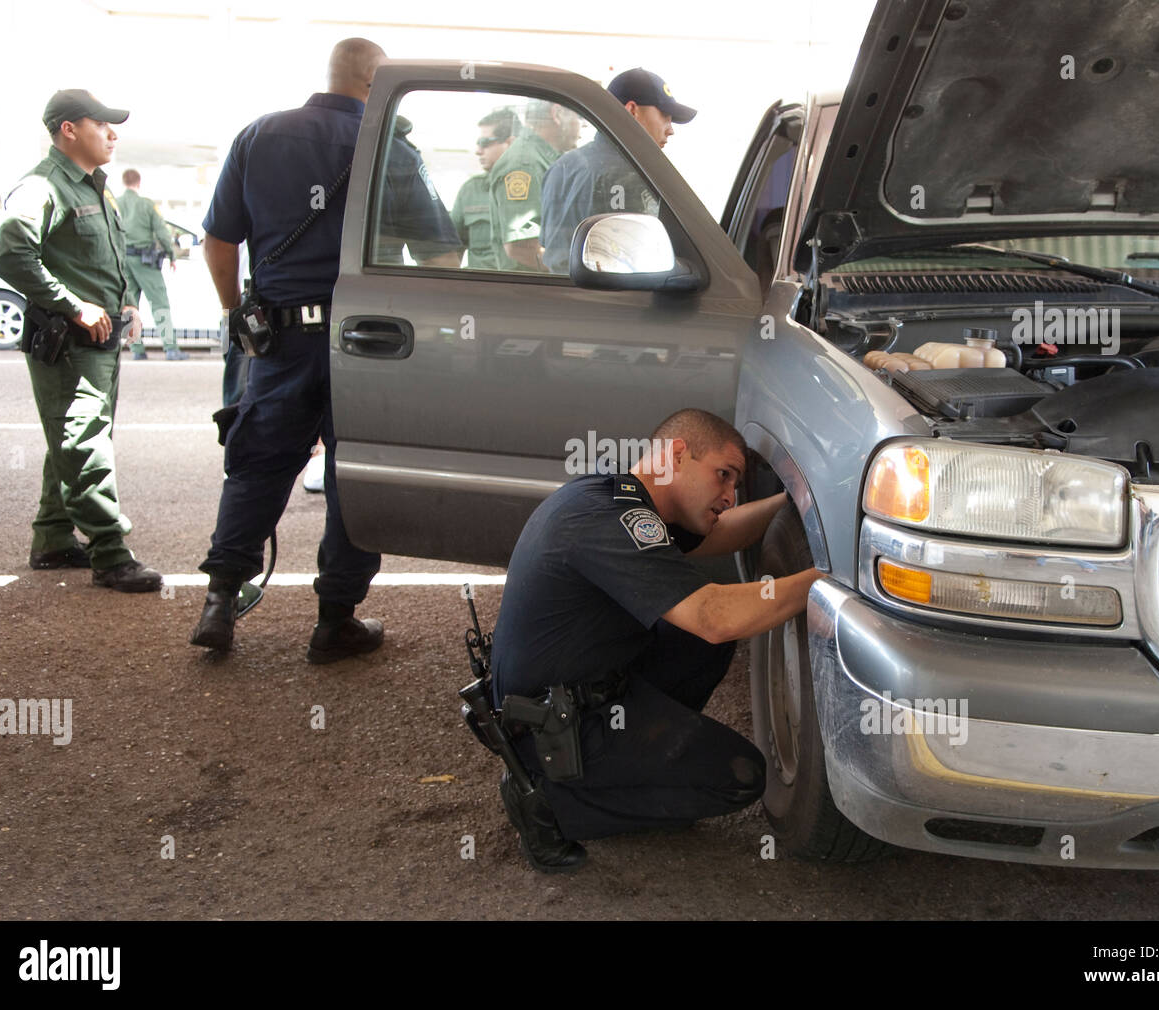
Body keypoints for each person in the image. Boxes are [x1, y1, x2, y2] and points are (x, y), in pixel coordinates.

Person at [188, 38, 459, 661]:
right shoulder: (391, 147)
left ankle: (221, 601)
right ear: (375, 80)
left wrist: (238, 313)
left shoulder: (258, 136)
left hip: (279, 336)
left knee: (258, 464)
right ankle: (335, 619)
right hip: (366, 344)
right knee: (352, 474)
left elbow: (219, 241)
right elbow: (443, 255)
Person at [489, 408, 822, 871]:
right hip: (555, 730)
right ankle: (551, 800)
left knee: (700, 643)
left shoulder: (619, 499)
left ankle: (636, 769)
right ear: (677, 455)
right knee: (739, 778)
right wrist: (826, 580)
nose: (729, 496)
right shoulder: (609, 520)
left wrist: (794, 501)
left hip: (581, 694)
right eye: (723, 477)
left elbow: (723, 534)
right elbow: (712, 616)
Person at [0, 89, 162, 592]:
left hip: (98, 339)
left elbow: (107, 256)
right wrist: (74, 304)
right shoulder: (43, 186)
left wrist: (124, 300)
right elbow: (10, 256)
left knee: (75, 437)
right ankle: (111, 553)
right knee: (84, 443)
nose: (113, 134)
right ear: (69, 129)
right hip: (68, 340)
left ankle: (51, 538)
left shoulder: (93, 187)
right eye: (101, 124)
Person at [540, 68, 696, 274]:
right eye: (665, 115)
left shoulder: (563, 165)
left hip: (559, 296)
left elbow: (548, 246)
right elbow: (640, 260)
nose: (670, 129)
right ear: (632, 110)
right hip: (610, 301)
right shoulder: (631, 174)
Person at [486, 100, 580, 271]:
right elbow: (521, 247)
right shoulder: (525, 164)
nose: (581, 127)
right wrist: (574, 271)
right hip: (532, 291)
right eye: (578, 117)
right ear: (557, 114)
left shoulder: (543, 159)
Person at [118, 168, 187, 361]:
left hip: (123, 260)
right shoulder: (146, 205)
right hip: (144, 261)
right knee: (159, 303)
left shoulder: (114, 203)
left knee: (128, 305)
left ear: (124, 182)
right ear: (138, 183)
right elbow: (162, 232)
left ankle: (136, 350)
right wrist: (172, 254)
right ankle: (171, 348)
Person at [448, 109, 520, 270]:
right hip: (481, 291)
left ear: (510, 143)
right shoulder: (470, 191)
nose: (478, 150)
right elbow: (452, 253)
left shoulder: (540, 187)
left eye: (485, 143)